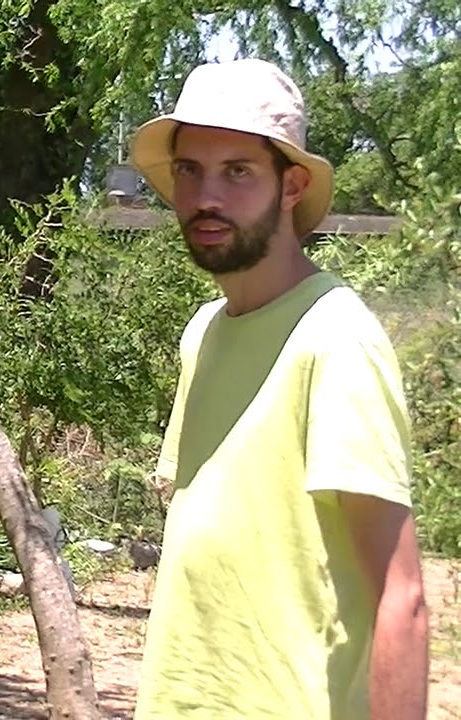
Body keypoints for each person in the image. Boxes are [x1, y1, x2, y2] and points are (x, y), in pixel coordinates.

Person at [128, 58, 430, 719]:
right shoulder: (204, 332)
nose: (207, 196)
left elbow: (400, 598)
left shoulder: (335, 339)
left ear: (291, 186)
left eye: (238, 171)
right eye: (189, 170)